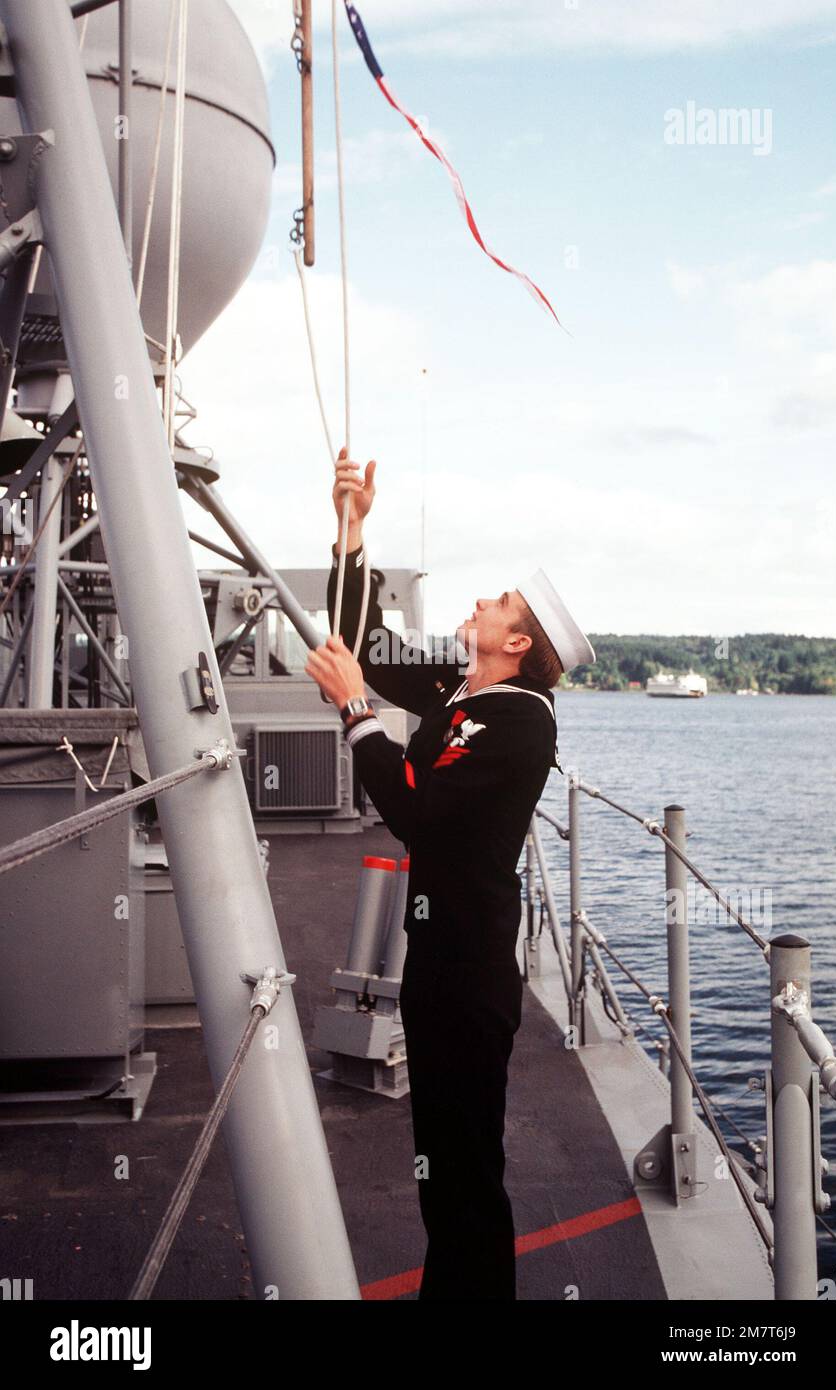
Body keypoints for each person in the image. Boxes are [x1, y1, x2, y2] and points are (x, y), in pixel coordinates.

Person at [304, 448, 595, 1300]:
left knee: (464, 1173)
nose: (477, 601)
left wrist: (357, 710)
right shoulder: (464, 693)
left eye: (496, 602)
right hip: (438, 970)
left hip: (468, 980)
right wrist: (351, 530)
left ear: (518, 641)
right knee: (446, 1174)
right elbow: (362, 641)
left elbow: (419, 809)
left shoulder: (519, 723)